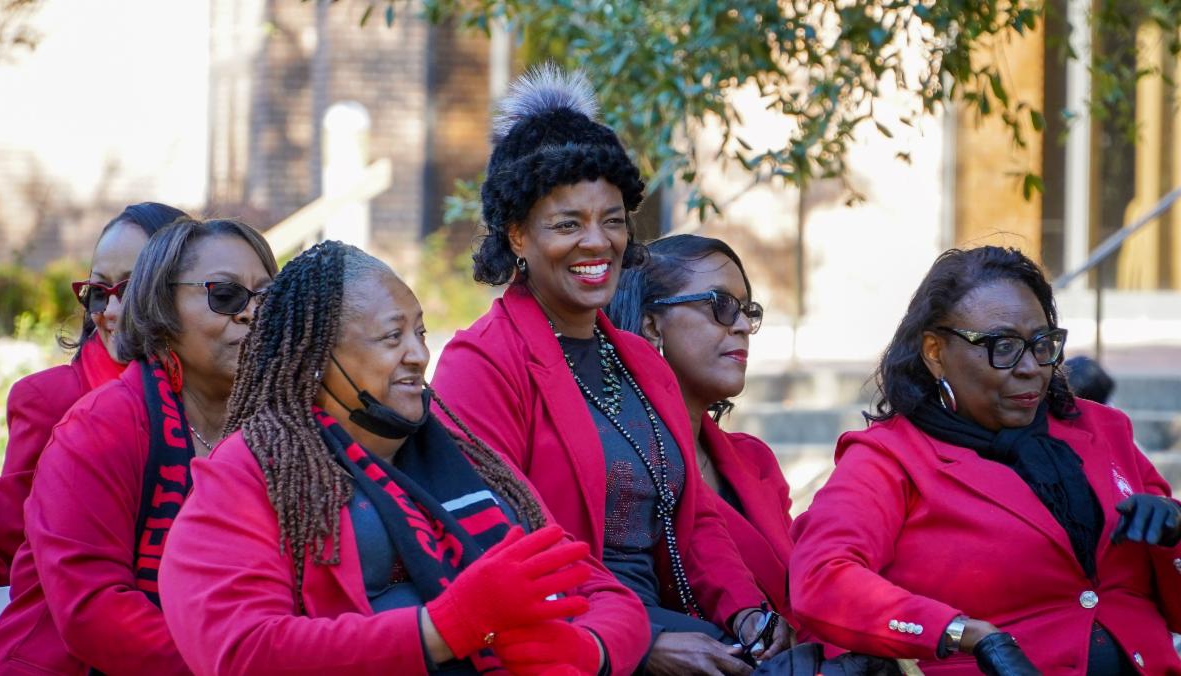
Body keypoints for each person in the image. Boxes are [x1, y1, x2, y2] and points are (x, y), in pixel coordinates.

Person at [432, 65, 784, 675]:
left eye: (613, 219)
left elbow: (693, 517)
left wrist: (747, 612)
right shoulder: (480, 363)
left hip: (673, 623)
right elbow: (496, 543)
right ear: (516, 234)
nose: (598, 243)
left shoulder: (642, 360)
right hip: (567, 641)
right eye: (568, 223)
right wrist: (643, 645)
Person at [158, 240, 648, 675]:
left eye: (420, 332)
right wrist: (444, 627)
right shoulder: (254, 470)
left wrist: (590, 649)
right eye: (393, 337)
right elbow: (240, 651)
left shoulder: (467, 454)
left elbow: (603, 592)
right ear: (316, 360)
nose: (418, 354)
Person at [789, 246, 1181, 674]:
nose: (1031, 367)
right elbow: (822, 578)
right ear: (935, 352)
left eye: (1041, 343)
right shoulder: (889, 458)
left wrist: (1174, 534)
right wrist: (963, 632)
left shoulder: (1105, 430)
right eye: (1004, 346)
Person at [0, 218, 276, 674]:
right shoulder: (97, 426)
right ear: (162, 305)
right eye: (225, 294)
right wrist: (243, 661)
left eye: (268, 297)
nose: (252, 313)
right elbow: (94, 609)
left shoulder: (281, 426)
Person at [0, 202, 189, 591]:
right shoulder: (49, 400)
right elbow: (0, 547)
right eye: (98, 291)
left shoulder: (216, 396)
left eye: (130, 289)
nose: (110, 311)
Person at [606, 234, 793, 620]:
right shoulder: (617, 457)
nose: (741, 325)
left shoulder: (755, 459)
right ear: (652, 327)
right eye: (721, 305)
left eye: (747, 309)